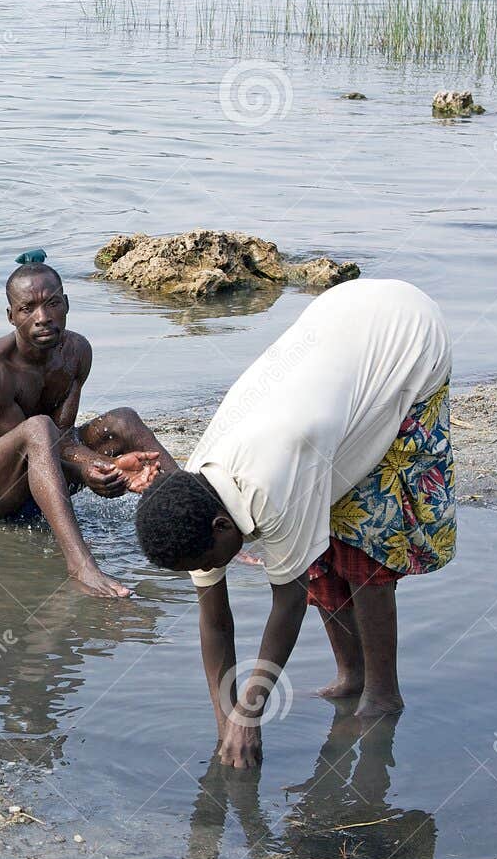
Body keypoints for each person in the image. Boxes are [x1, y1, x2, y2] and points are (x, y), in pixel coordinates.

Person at [134, 278, 456, 767]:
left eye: (209, 561)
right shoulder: (196, 497)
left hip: (406, 336)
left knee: (363, 536)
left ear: (223, 527)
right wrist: (228, 722)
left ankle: (382, 694)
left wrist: (250, 713)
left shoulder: (272, 484)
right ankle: (352, 677)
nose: (215, 569)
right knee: (318, 545)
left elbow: (287, 605)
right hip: (339, 331)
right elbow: (215, 621)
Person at [0, 251, 177, 597]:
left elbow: (62, 439)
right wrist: (96, 466)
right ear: (11, 316)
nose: (43, 317)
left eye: (52, 304)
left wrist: (109, 466)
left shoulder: (76, 351)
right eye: (28, 309)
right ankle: (81, 566)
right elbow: (36, 444)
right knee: (36, 427)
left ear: (67, 305)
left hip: (49, 472)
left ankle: (195, 515)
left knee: (122, 419)